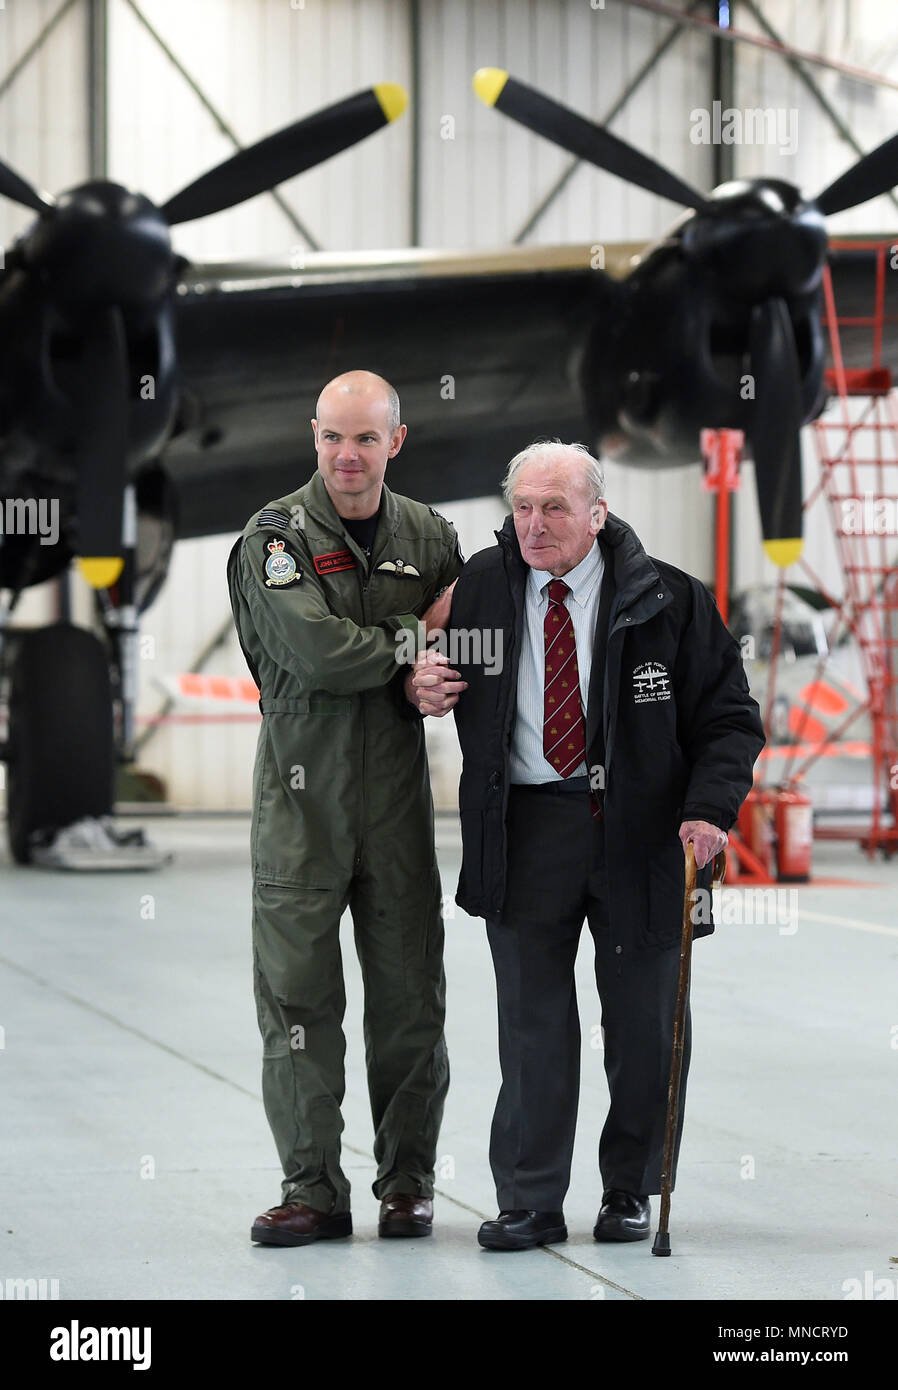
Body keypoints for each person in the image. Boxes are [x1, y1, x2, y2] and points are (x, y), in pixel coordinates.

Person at [412, 438, 764, 1251]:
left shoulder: (669, 598)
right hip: (523, 826)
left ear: (598, 514)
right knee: (533, 1025)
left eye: (554, 509)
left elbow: (730, 719)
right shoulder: (482, 590)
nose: (534, 526)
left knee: (644, 1025)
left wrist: (711, 809)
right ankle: (531, 1199)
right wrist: (418, 680)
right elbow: (418, 653)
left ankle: (630, 1190)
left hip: (646, 833)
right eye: (522, 508)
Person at [227, 370, 465, 1246]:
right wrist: (414, 643)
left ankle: (407, 1186)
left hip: (397, 799)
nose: (348, 455)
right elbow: (314, 650)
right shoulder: (274, 537)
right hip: (300, 799)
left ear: (395, 442)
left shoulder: (429, 534)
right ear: (313, 438)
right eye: (333, 437)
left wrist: (443, 665)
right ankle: (313, 1190)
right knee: (297, 1006)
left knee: (410, 1001)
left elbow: (474, 629)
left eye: (366, 438)